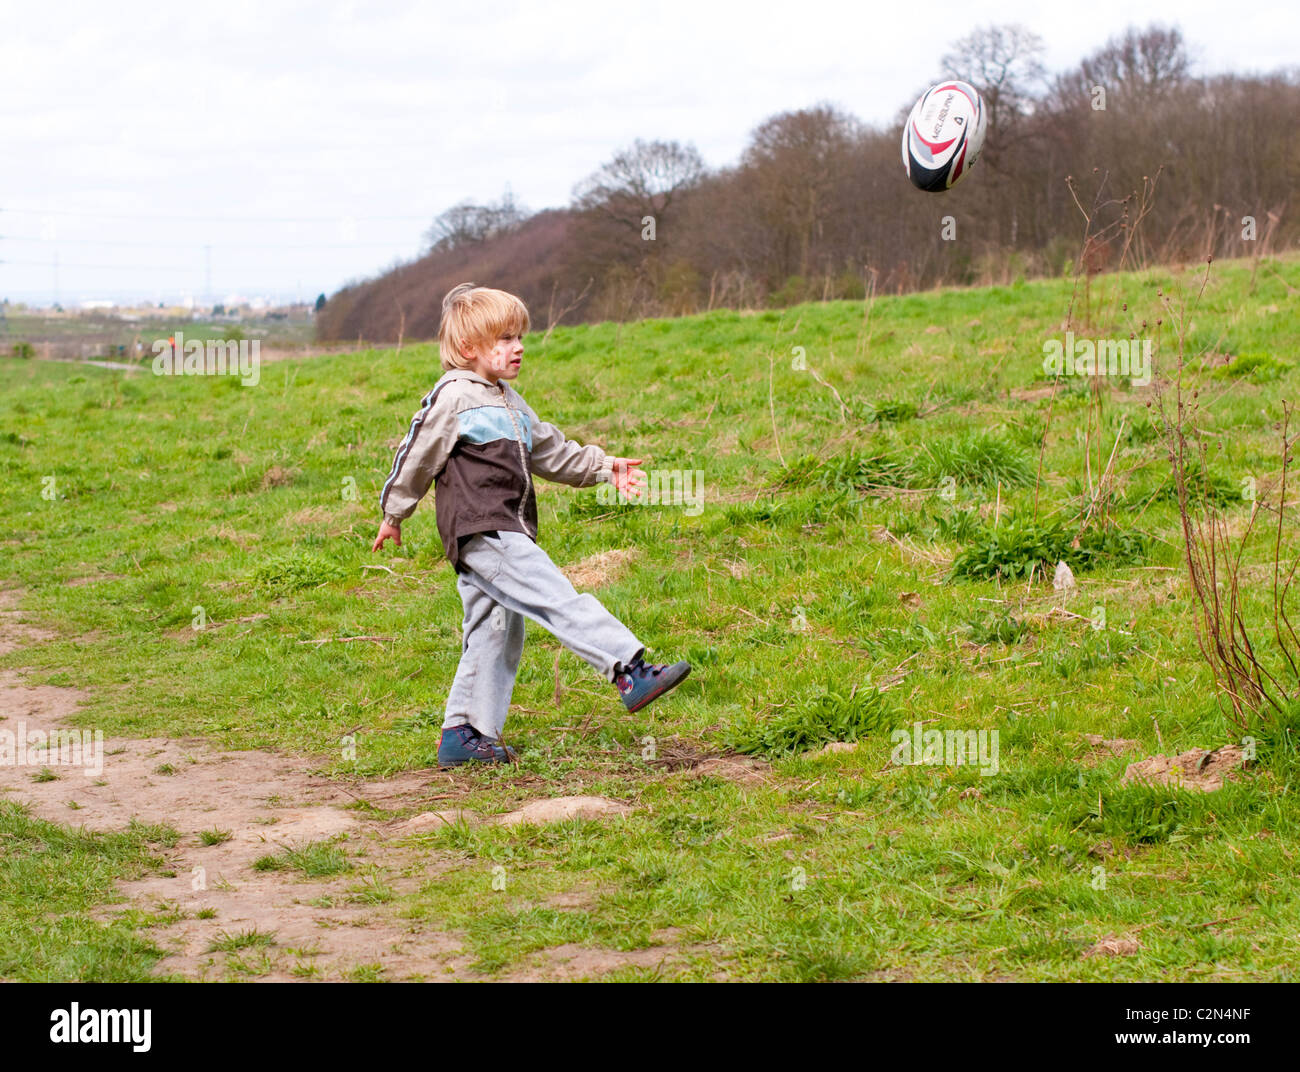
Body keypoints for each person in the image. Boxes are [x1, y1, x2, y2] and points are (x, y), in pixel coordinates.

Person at [372, 283, 691, 766]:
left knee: (496, 628)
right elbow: (416, 454)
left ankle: (464, 733)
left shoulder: (510, 402)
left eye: (519, 336)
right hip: (483, 530)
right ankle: (630, 669)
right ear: (468, 349)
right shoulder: (454, 397)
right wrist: (394, 513)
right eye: (504, 338)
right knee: (557, 597)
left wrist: (605, 468)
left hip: (505, 528)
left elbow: (550, 450)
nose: (517, 347)